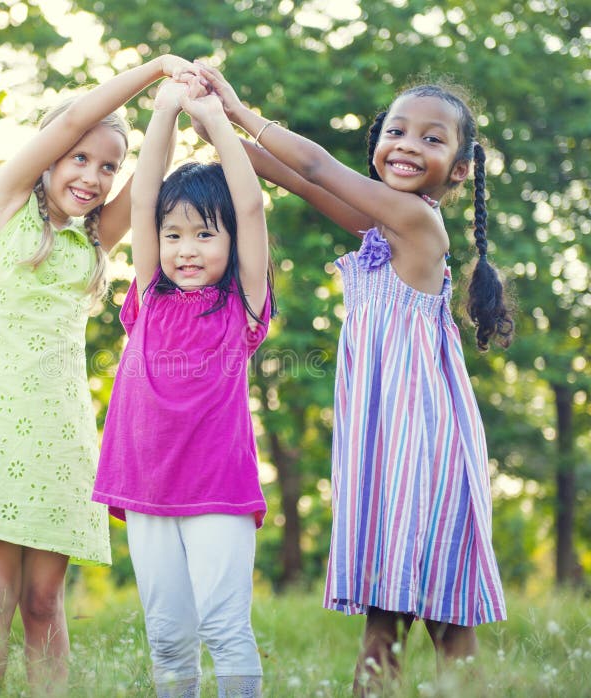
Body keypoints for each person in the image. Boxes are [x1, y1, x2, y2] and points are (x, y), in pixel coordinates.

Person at [196, 63, 513, 695]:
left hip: (422, 445)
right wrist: (216, 131)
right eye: (396, 130)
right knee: (383, 614)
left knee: (446, 622)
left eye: (432, 138)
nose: (407, 145)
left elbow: (315, 167)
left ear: (458, 170)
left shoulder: (418, 225)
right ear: (377, 142)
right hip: (383, 449)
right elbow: (292, 176)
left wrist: (235, 109)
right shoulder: (379, 228)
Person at [0, 54, 195, 697]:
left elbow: (150, 186)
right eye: (80, 159)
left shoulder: (94, 240)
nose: (92, 176)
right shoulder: (7, 206)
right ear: (52, 159)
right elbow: (74, 121)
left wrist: (167, 109)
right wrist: (153, 70)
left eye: (107, 165)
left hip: (60, 435)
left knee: (43, 601)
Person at [91, 75, 276, 698]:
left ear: (230, 241)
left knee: (224, 628)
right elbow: (143, 198)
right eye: (175, 235)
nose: (186, 249)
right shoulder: (148, 297)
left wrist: (213, 115)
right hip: (145, 484)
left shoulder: (241, 308)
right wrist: (165, 110)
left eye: (204, 234)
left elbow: (249, 205)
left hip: (217, 488)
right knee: (167, 636)